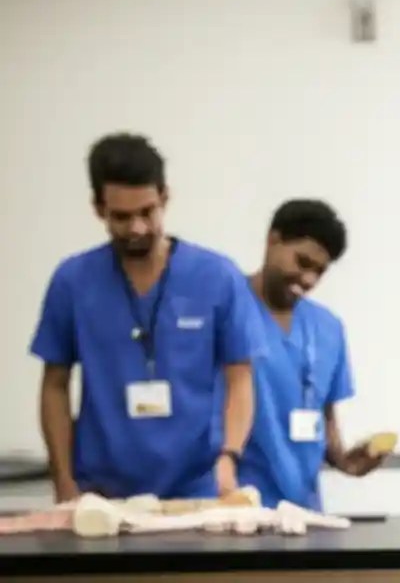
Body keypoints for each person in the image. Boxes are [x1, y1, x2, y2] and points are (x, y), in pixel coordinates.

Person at [31, 133, 259, 502]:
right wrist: (63, 481)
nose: (137, 228)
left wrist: (229, 457)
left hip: (196, 489)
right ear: (98, 208)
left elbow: (241, 378)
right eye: (121, 217)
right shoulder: (73, 281)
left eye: (147, 212)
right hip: (101, 494)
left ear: (164, 199)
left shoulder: (217, 277)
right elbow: (54, 385)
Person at [238, 199, 387, 510]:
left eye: (319, 271)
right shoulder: (226, 310)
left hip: (304, 514)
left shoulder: (328, 328)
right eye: (302, 262)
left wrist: (345, 461)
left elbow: (324, 414)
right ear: (273, 239)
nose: (308, 280)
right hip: (236, 508)